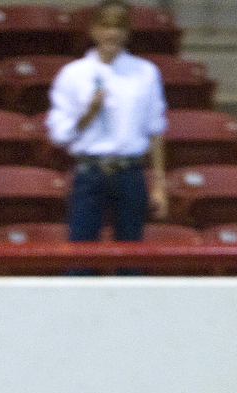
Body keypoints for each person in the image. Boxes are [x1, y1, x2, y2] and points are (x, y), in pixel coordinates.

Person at [45, 0, 168, 244]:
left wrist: (159, 186)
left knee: (130, 257)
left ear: (127, 32)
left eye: (119, 27)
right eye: (105, 26)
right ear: (93, 30)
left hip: (130, 172)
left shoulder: (146, 72)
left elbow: (155, 129)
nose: (112, 33)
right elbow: (60, 134)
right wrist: (89, 113)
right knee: (81, 256)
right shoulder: (73, 74)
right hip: (89, 172)